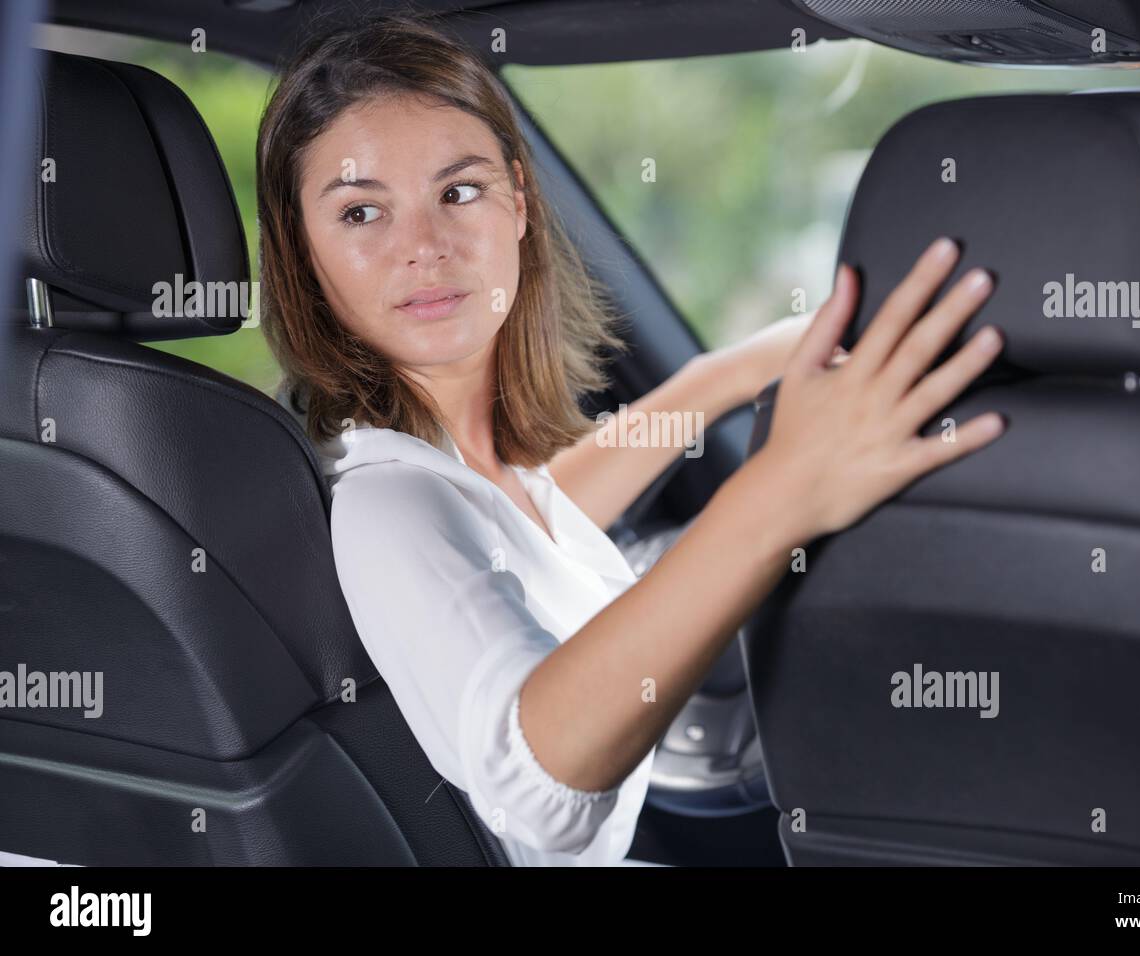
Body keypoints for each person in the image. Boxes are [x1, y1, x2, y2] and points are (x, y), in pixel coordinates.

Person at [259, 10, 1006, 866]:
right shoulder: (388, 499)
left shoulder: (445, 465)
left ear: (520, 207)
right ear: (300, 252)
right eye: (361, 214)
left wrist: (727, 375)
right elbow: (539, 790)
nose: (423, 246)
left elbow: (528, 528)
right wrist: (782, 493)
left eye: (458, 192)